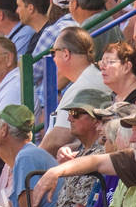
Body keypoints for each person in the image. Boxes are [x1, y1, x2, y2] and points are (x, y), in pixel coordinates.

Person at [40, 27, 110, 156]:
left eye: (53, 52)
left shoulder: (85, 85)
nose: (53, 58)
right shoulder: (90, 77)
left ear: (66, 54)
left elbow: (58, 140)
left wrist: (33, 157)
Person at [98, 41, 136, 105]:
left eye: (109, 62)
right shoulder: (115, 96)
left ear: (127, 67)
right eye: (102, 62)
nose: (102, 67)